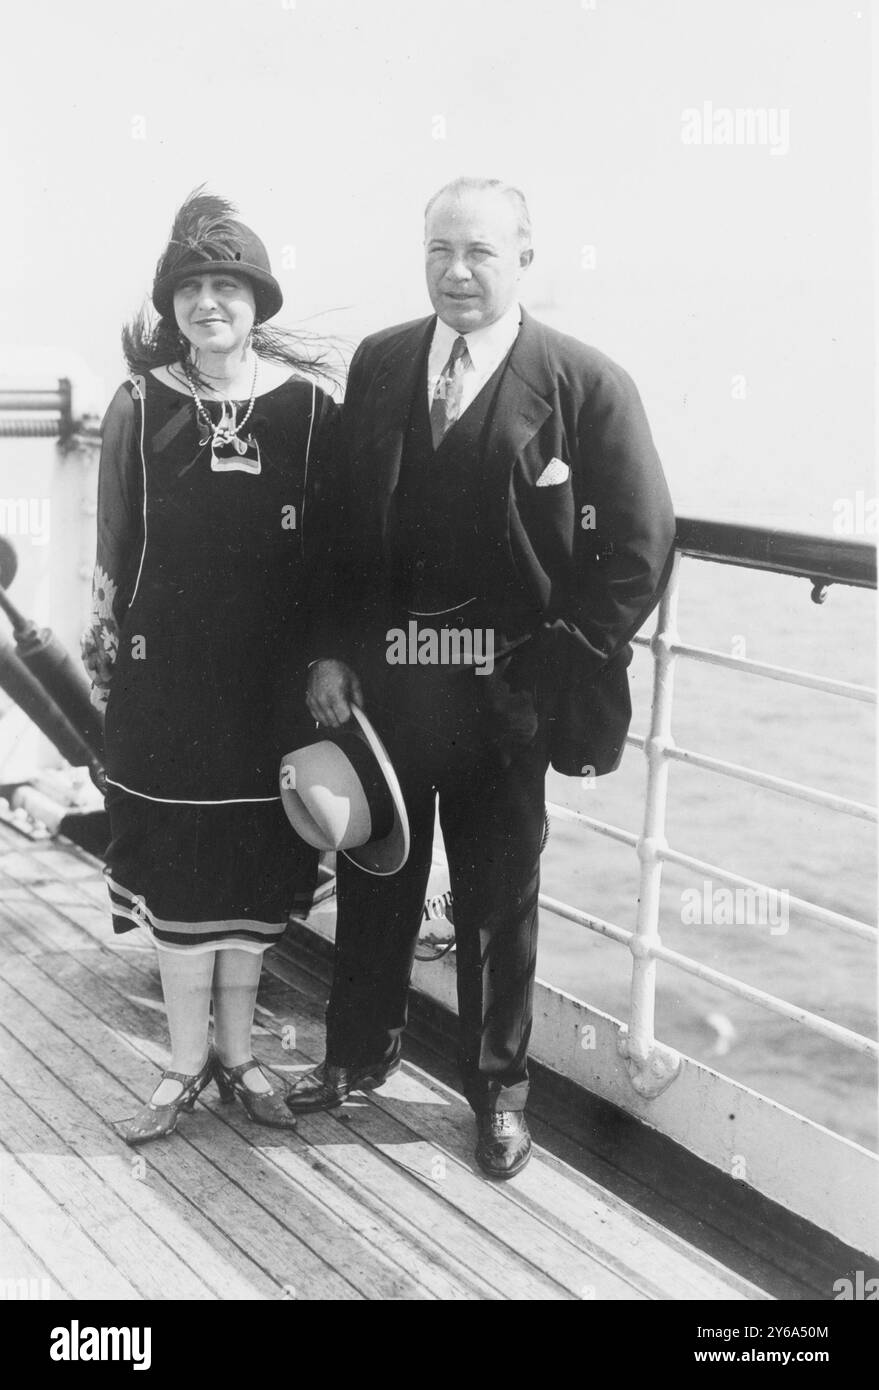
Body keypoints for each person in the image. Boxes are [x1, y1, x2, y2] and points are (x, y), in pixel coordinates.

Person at [286, 177, 676, 1179]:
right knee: (377, 872)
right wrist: (329, 650)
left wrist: (553, 666)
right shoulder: (378, 363)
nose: (457, 272)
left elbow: (637, 549)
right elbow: (333, 527)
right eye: (439, 251)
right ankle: (355, 1057)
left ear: (526, 259)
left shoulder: (588, 385)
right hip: (387, 681)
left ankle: (498, 1097)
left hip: (510, 691)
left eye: (481, 253)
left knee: (499, 898)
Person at [81, 189, 338, 1144]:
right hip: (166, 682)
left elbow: (336, 560)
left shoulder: (310, 412)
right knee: (183, 869)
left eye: (227, 285)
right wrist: (108, 674)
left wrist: (332, 664)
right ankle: (185, 1061)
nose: (209, 304)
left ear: (257, 301)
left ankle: (238, 1053)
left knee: (257, 864)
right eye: (191, 288)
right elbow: (110, 551)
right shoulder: (139, 406)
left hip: (273, 689)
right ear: (171, 306)